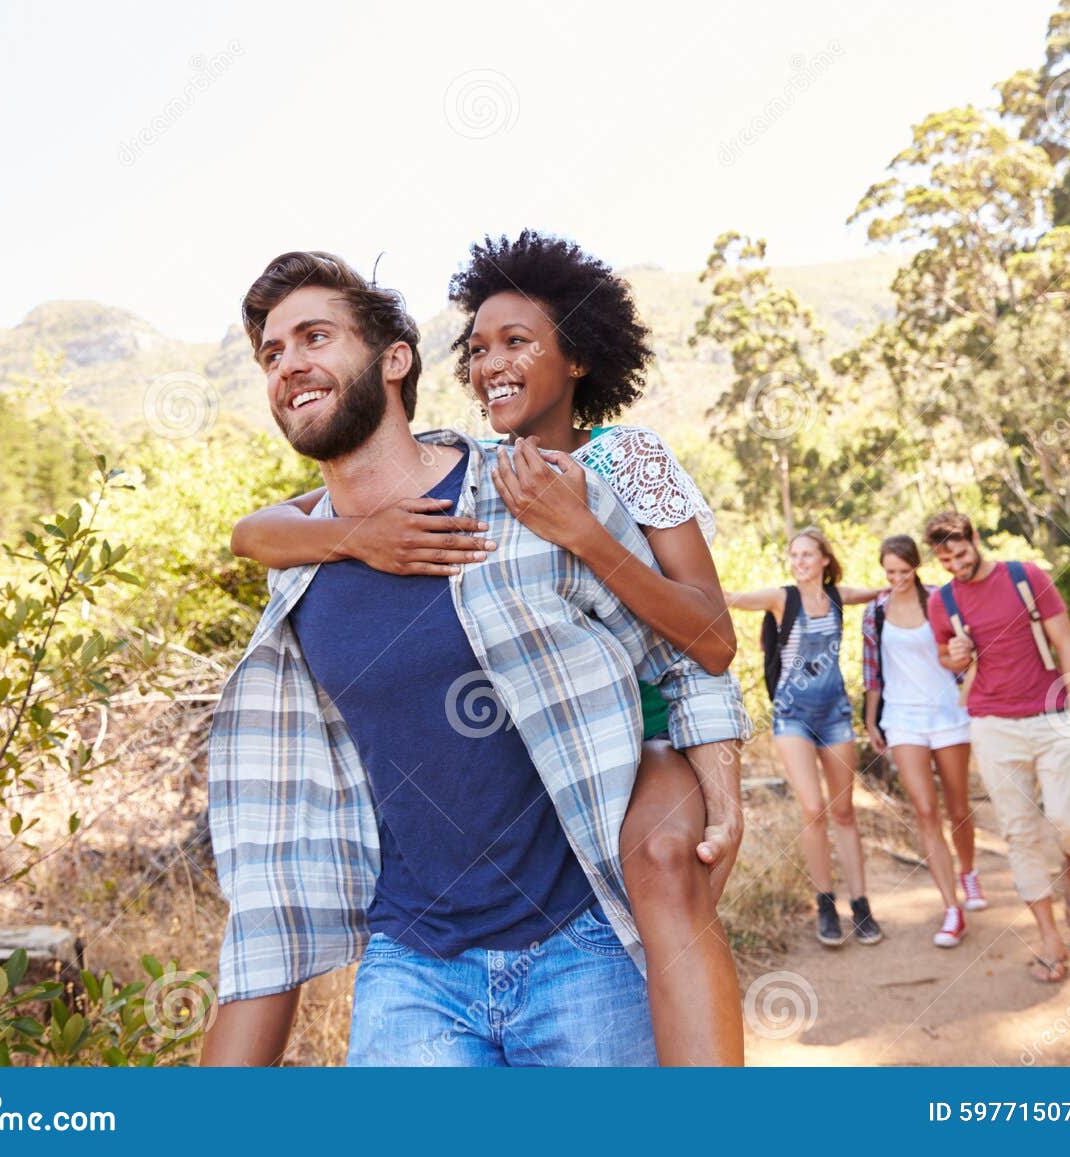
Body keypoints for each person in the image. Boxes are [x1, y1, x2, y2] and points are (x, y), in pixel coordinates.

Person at [199, 251, 749, 1067]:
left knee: (665, 877)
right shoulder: (301, 566)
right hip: (410, 973)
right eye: (271, 353)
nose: (288, 364)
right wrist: (350, 536)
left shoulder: (555, 489)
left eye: (314, 335)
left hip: (588, 922)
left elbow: (696, 645)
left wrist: (722, 778)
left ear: (395, 359)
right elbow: (251, 532)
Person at [923, 512, 1070, 983]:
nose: (955, 565)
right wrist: (953, 657)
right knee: (1019, 833)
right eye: (945, 560)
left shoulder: (1026, 576)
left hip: (1051, 716)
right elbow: (945, 656)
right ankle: (1049, 938)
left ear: (975, 539)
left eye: (960, 554)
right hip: (994, 725)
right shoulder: (943, 601)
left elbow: (1065, 639)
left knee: (1068, 822)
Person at [726, 528, 885, 948]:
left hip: (834, 714)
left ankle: (862, 905)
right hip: (792, 716)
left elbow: (872, 591)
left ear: (824, 560)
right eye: (794, 555)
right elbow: (733, 598)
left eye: (807, 555)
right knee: (814, 809)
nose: (800, 562)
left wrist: (900, 585)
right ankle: (826, 903)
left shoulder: (836, 597)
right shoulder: (782, 599)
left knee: (844, 812)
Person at [861, 534, 987, 949]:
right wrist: (871, 719)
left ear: (916, 567)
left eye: (903, 571)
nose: (896, 579)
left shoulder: (940, 600)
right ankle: (951, 909)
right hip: (902, 717)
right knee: (924, 809)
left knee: (957, 807)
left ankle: (968, 871)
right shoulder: (875, 611)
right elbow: (873, 673)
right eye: (889, 572)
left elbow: (969, 651)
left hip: (949, 712)